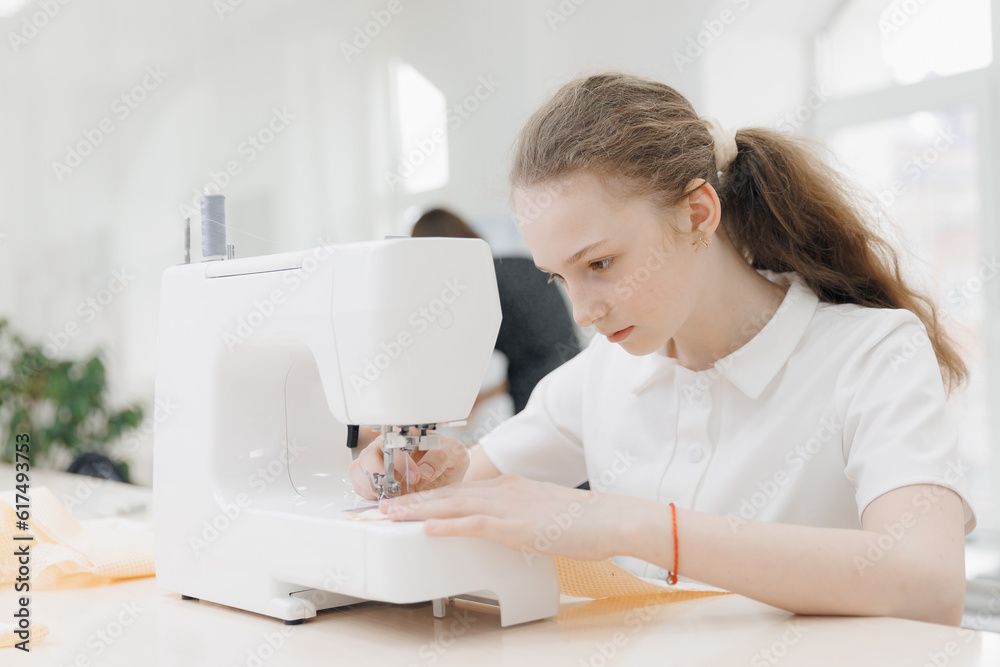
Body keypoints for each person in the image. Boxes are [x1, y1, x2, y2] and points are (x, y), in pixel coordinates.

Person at [348, 72, 975, 626]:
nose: (582, 312)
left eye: (600, 263)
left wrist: (629, 525)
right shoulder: (602, 374)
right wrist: (414, 474)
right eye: (560, 277)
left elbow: (929, 585)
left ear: (698, 214)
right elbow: (461, 487)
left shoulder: (872, 354)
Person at [411, 208, 581, 414]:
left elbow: (453, 359)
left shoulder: (475, 286)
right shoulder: (524, 265)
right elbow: (537, 356)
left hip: (541, 401)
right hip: (578, 380)